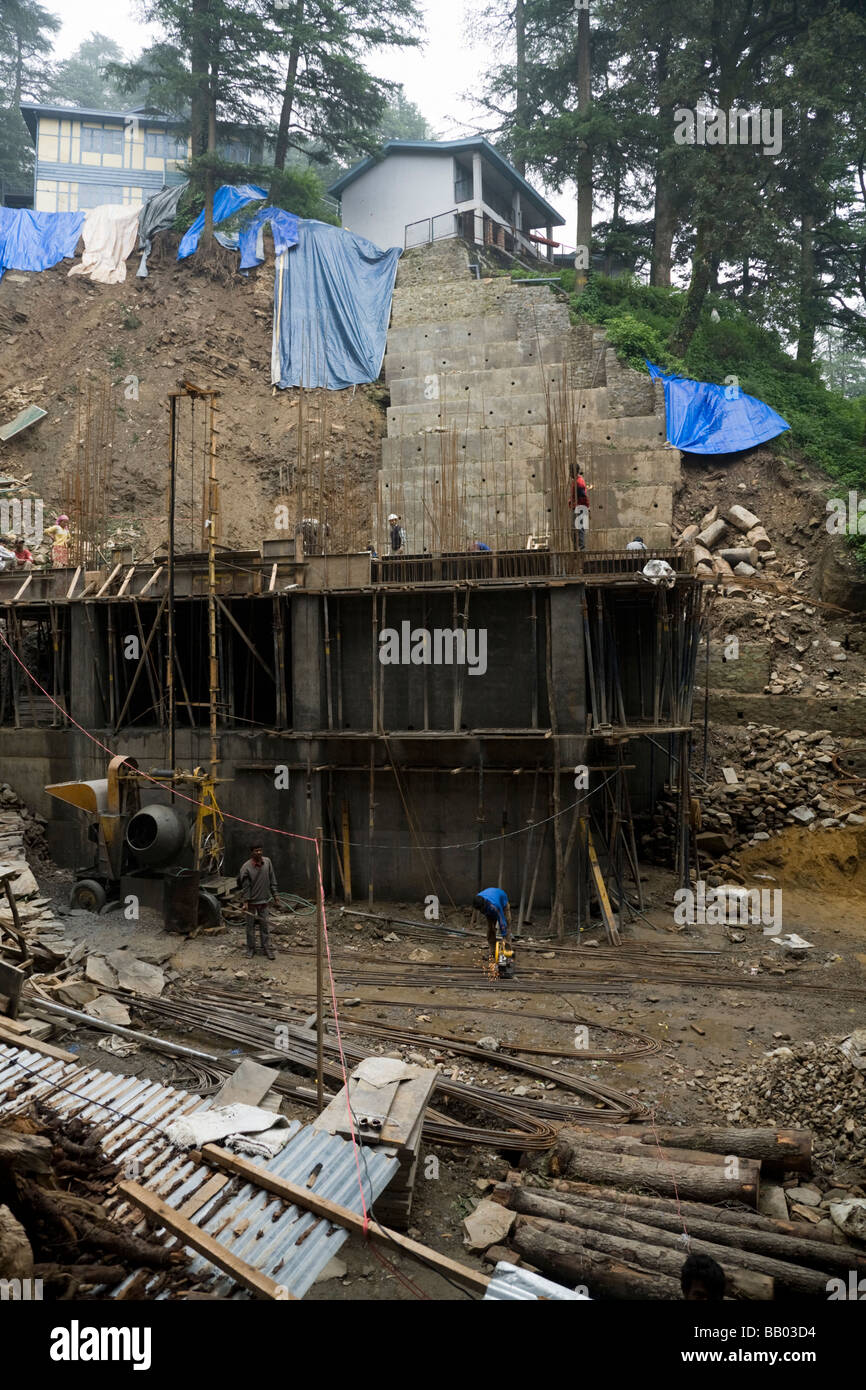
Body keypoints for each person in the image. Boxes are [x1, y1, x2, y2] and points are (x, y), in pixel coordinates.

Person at [237, 843, 279, 959]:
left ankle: (266, 948)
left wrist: (275, 895)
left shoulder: (267, 862)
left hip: (264, 901)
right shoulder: (246, 868)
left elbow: (272, 878)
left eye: (260, 850)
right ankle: (251, 949)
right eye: (256, 851)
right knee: (250, 927)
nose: (259, 853)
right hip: (251, 902)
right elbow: (246, 887)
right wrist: (245, 902)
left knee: (264, 925)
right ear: (252, 853)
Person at [471, 886, 511, 959]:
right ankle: (492, 951)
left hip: (502, 902)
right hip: (490, 905)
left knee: (506, 927)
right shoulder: (478, 900)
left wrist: (503, 935)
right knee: (490, 929)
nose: (480, 911)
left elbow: (501, 920)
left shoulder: (495, 906)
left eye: (480, 909)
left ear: (484, 904)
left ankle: (507, 953)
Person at [568, 471, 590, 551]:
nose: (570, 474)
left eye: (570, 471)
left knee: (579, 529)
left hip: (580, 507)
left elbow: (583, 496)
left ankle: (582, 550)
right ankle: (576, 549)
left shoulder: (579, 482)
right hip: (577, 507)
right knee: (574, 530)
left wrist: (586, 507)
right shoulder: (576, 481)